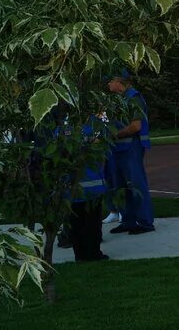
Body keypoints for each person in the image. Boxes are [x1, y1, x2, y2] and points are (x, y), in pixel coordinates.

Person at [106, 71, 154, 235]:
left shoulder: (133, 98)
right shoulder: (120, 99)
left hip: (131, 147)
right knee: (120, 185)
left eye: (110, 81)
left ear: (119, 81)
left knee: (136, 184)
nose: (108, 84)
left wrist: (113, 134)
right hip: (119, 148)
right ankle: (128, 220)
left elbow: (136, 126)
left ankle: (145, 222)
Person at [66, 121, 109, 262]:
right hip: (92, 185)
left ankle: (80, 255)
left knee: (76, 223)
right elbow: (102, 150)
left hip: (72, 188)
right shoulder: (94, 126)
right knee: (92, 223)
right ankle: (94, 254)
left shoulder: (63, 127)